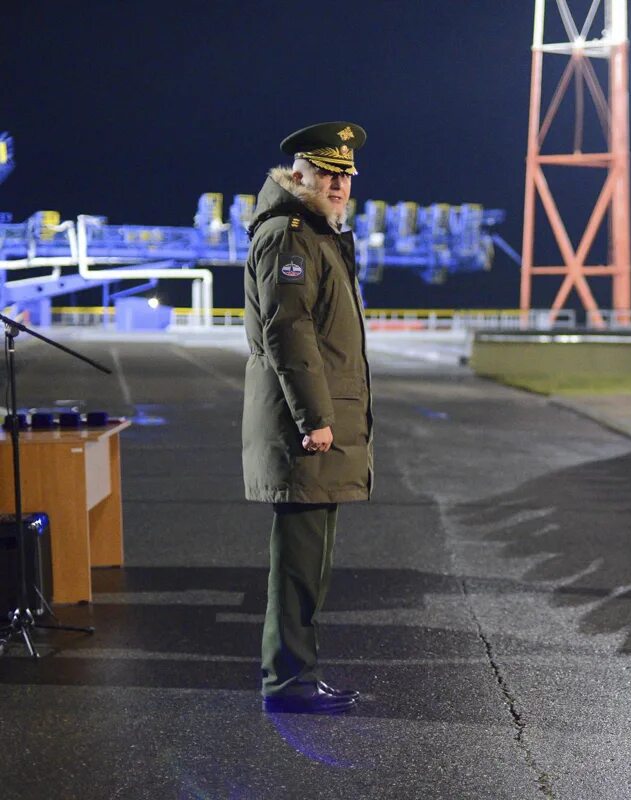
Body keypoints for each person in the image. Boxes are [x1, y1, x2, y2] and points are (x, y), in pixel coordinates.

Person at [243, 121, 372, 714]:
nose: (339, 182)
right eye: (327, 171)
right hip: (307, 427)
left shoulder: (318, 234)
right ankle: (288, 682)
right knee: (298, 563)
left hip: (319, 425)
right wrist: (315, 418)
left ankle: (297, 675)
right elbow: (288, 331)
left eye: (345, 173)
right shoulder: (291, 235)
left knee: (310, 561)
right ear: (298, 176)